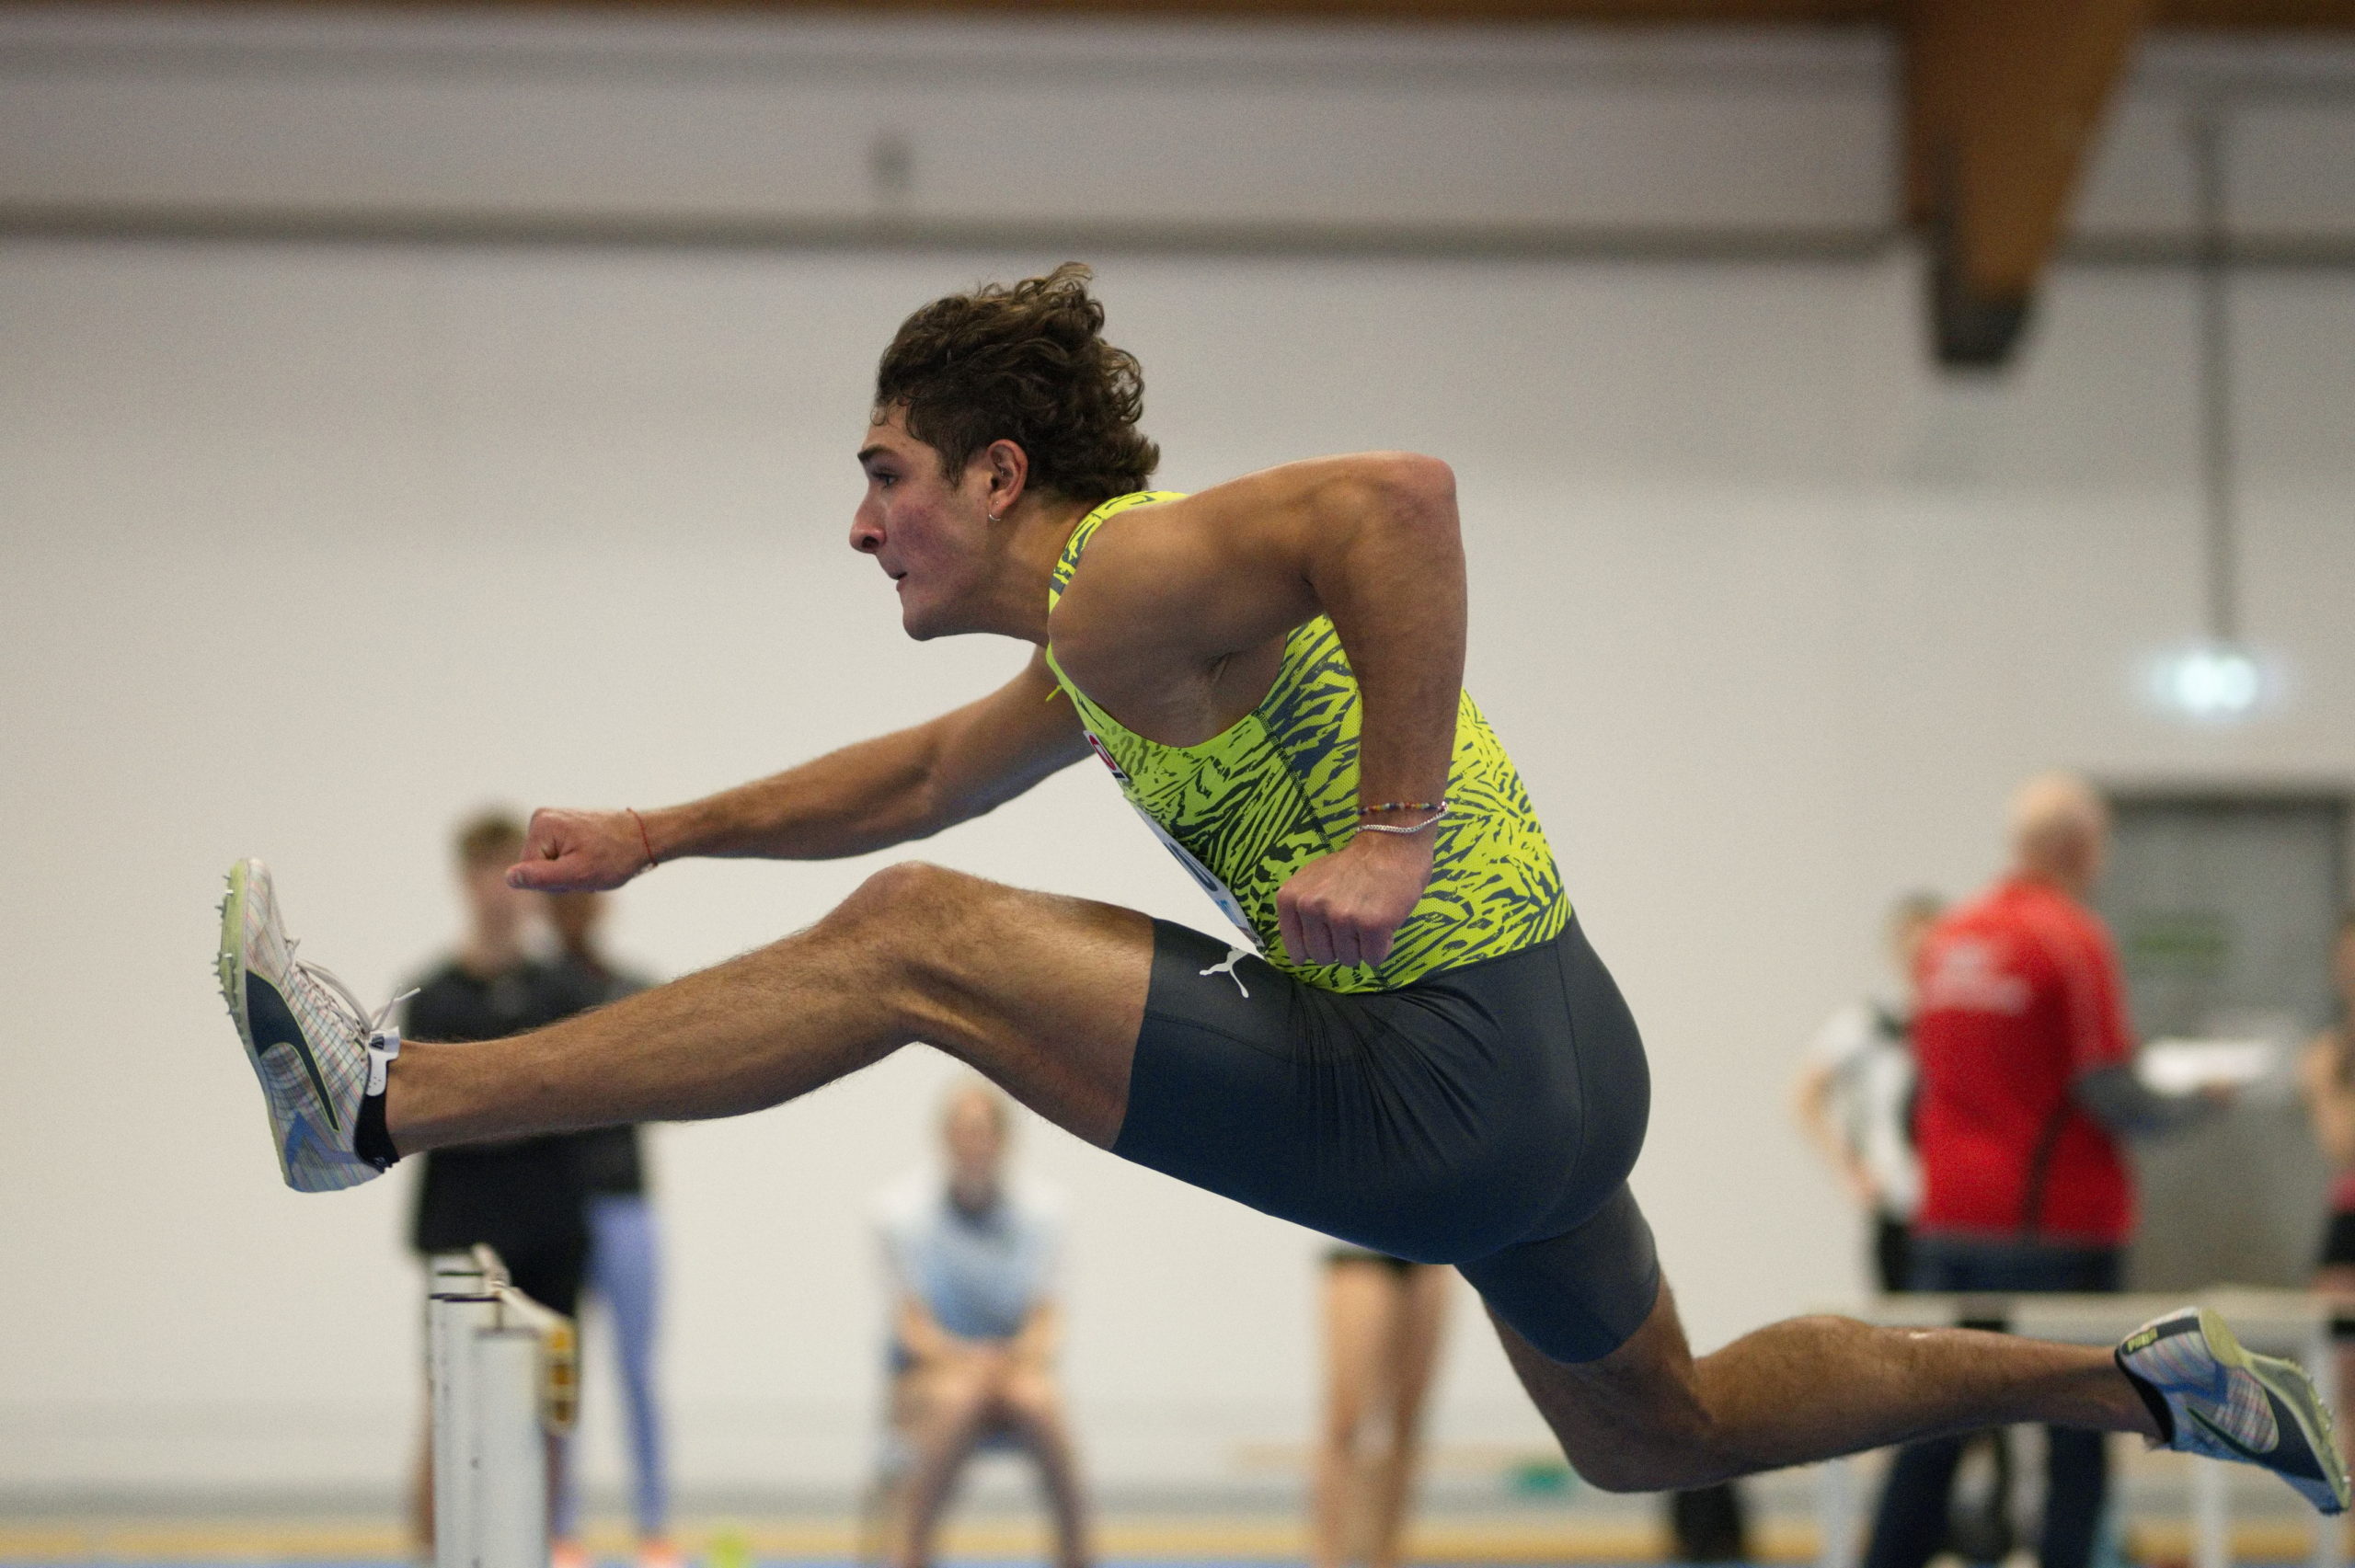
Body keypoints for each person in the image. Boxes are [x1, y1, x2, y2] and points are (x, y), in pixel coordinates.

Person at [214, 265, 2349, 1516]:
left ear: (994, 475)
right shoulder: (1102, 655)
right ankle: (2140, 1381)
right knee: (1654, 1429)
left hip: (1447, 1061)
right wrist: (665, 830)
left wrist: (1392, 822)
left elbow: (1397, 503)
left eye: (880, 473)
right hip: (1551, 1066)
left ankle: (387, 1095)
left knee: (909, 956)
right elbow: (908, 779)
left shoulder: (1129, 565)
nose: (858, 523)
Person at [1860, 774, 2230, 1568]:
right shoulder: (2070, 937)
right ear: (2077, 847)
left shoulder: (1950, 939)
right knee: (2084, 1422)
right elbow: (2107, 1087)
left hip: (1951, 1221)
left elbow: (1928, 1085)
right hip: (2054, 1227)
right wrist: (2200, 1099)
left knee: (1931, 1423)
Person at [399, 811, 604, 1558]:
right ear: (464, 881)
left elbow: (582, 1096)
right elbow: (417, 1110)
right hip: (464, 1222)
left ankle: (543, 1544)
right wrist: (511, 1106)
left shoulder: (559, 991)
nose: (499, 890)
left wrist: (491, 1107)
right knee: (448, 1399)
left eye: (511, 874)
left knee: (551, 1406)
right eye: (486, 872)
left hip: (553, 1222)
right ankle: (432, 1552)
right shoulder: (433, 997)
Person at [873, 1081, 1087, 1568]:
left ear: (1004, 1141)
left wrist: (1002, 1363)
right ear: (945, 1139)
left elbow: (1045, 1325)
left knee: (1041, 1399)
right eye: (965, 1132)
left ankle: (1077, 1555)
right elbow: (913, 1330)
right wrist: (971, 1363)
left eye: (985, 1132)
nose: (976, 1144)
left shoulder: (1044, 1214)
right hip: (933, 1376)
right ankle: (911, 1553)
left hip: (1014, 1373)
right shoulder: (900, 1215)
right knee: (959, 1396)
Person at [546, 890, 680, 1568]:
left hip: (626, 1200)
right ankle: (562, 1525)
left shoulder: (632, 990)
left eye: (583, 900)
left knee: (637, 1369)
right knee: (560, 1373)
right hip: (557, 1205)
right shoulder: (534, 994)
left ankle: (654, 1525)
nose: (573, 912)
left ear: (600, 906)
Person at [1794, 892, 1943, 1297]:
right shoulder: (1870, 1024)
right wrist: (1848, 1169)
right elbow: (1806, 1095)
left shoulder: (1963, 1025)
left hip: (1954, 1208)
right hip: (1897, 1206)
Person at [1312, 1248, 1450, 1568]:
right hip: (1360, 1252)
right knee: (1346, 1422)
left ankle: (1387, 1558)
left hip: (1428, 1251)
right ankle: (1328, 1558)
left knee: (1407, 1421)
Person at [2296, 911, 2355, 1469]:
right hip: (2347, 1214)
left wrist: (2321, 1089)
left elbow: (2342, 1136)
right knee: (2337, 1373)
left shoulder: (2329, 1059)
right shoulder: (2337, 1049)